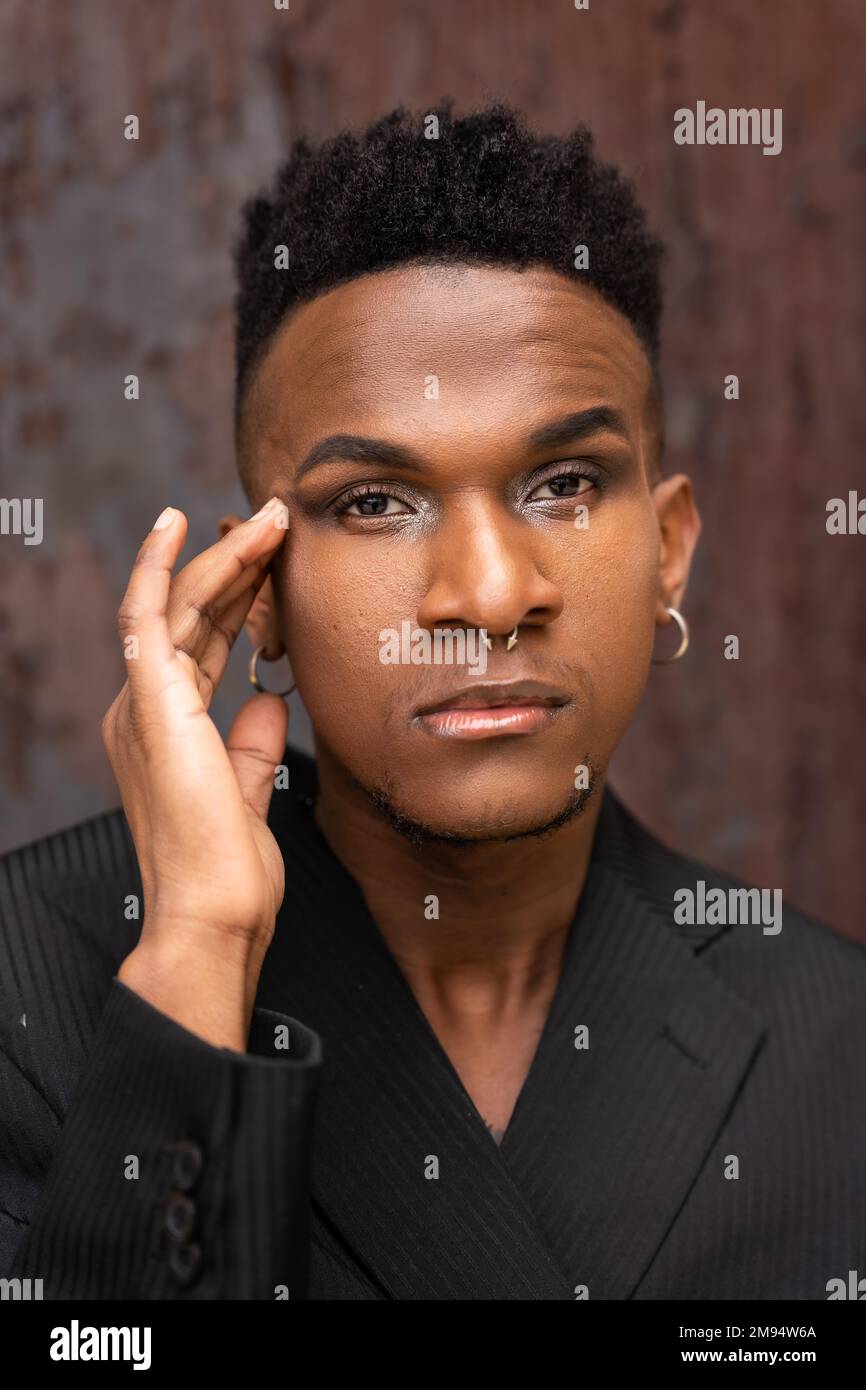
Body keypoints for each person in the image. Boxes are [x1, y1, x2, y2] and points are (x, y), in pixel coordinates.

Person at [2, 101, 865, 1302]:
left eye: (562, 483)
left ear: (667, 550)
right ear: (258, 589)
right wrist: (195, 956)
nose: (490, 592)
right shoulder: (29, 981)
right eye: (373, 501)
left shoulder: (834, 1042)